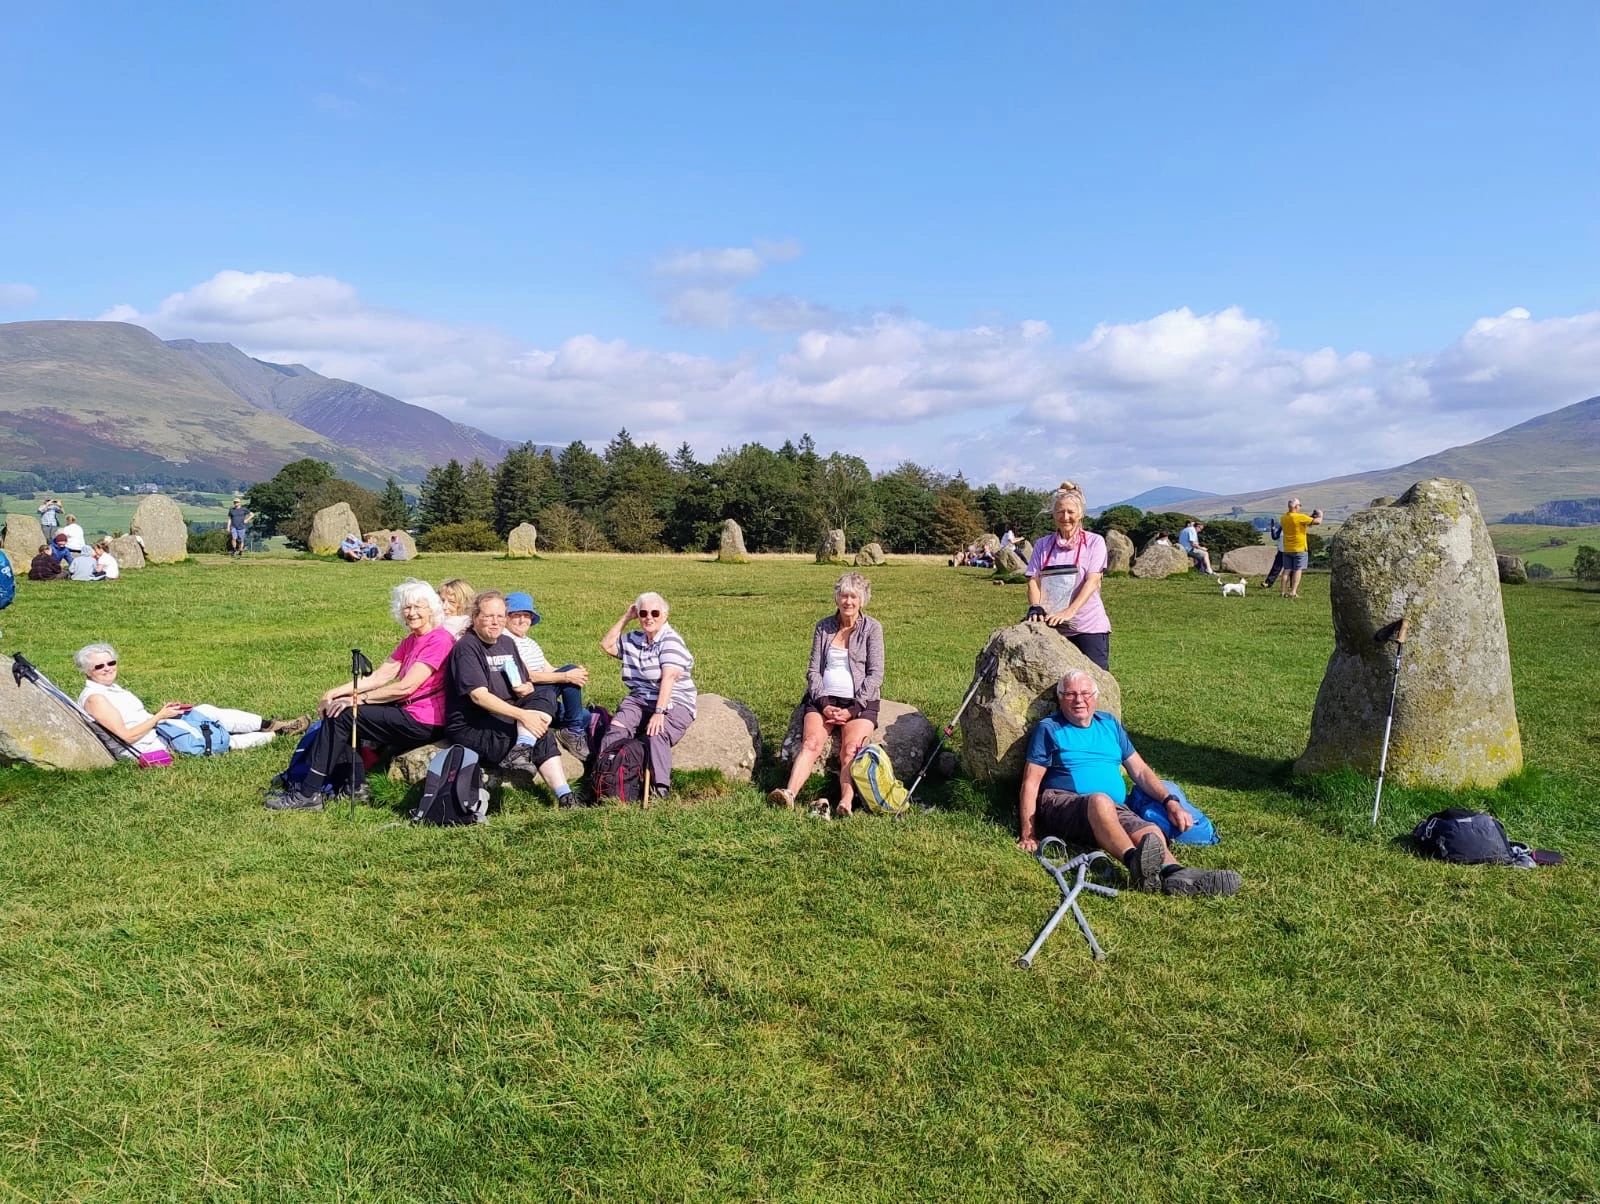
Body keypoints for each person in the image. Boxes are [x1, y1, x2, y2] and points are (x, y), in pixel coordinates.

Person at [1017, 670, 1241, 897]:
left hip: (1112, 808)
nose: (1079, 700)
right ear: (1060, 698)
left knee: (1151, 832)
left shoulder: (1109, 724)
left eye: (1085, 693)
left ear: (1095, 696)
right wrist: (1029, 833)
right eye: (1070, 694)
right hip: (1061, 803)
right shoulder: (1049, 728)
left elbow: (1141, 771)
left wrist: (1170, 801)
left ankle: (1178, 875)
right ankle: (1135, 863)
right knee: (1100, 800)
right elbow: (1031, 782)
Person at [263, 579, 453, 811]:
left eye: (418, 607)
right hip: (408, 712)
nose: (411, 613)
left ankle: (309, 792)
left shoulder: (439, 640)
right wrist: (333, 693)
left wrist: (356, 699)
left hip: (425, 720)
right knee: (338, 711)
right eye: (407, 607)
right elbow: (380, 677)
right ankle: (354, 785)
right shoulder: (411, 640)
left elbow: (406, 687)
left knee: (344, 716)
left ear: (431, 609)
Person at [767, 572, 885, 818]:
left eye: (853, 596)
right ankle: (788, 794)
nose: (848, 602)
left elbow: (875, 674)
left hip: (859, 704)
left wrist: (852, 709)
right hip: (824, 700)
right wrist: (823, 704)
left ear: (862, 600)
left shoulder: (873, 629)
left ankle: (845, 803)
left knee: (851, 749)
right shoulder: (824, 627)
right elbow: (813, 670)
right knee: (811, 743)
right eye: (843, 595)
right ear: (836, 598)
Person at [443, 590, 577, 802]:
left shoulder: (506, 643)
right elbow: (479, 697)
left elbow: (524, 681)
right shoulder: (467, 648)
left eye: (500, 616)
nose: (495, 622)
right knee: (539, 732)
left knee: (545, 695)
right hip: (473, 722)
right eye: (488, 616)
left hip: (506, 710)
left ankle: (564, 796)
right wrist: (523, 716)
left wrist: (525, 688)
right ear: (475, 617)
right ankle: (527, 752)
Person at [76, 642, 295, 758]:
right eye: (99, 666)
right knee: (216, 740)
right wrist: (160, 716)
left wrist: (163, 714)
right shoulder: (96, 698)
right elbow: (126, 735)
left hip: (155, 732)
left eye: (111, 663)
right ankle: (277, 734)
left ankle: (270, 725)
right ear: (87, 671)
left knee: (205, 712)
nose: (107, 669)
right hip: (149, 746)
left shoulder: (109, 689)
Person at [598, 591, 697, 799]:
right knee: (617, 728)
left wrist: (659, 712)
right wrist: (626, 618)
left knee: (656, 732)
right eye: (643, 613)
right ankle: (604, 779)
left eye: (655, 612)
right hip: (640, 698)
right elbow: (606, 645)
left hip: (674, 700)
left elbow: (669, 678)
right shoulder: (634, 639)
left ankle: (660, 789)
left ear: (665, 615)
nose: (648, 617)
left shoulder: (671, 641)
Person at [1024, 481, 1112, 670]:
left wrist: (1069, 611)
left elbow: (1092, 581)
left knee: (1091, 687)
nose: (1065, 517)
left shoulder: (1095, 542)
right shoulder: (1042, 545)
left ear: (1080, 514)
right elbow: (1034, 579)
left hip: (1088, 627)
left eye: (1071, 512)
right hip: (1052, 627)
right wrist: (1035, 606)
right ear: (1053, 515)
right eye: (1060, 512)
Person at [503, 591, 591, 753]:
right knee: (570, 674)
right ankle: (572, 731)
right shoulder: (505, 640)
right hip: (525, 695)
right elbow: (526, 675)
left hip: (545, 693)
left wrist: (577, 674)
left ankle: (572, 729)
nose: (522, 620)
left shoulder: (530, 642)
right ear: (506, 617)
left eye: (526, 615)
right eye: (516, 615)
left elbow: (549, 669)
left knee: (585, 716)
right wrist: (566, 675)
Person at [1278, 497, 1323, 599]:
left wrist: (1310, 517)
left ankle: (1283, 591)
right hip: (1299, 548)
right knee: (1298, 570)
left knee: (1286, 570)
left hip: (1287, 548)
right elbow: (1317, 522)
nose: (1300, 507)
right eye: (1299, 505)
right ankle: (1293, 592)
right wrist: (1320, 514)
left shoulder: (1283, 518)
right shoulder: (1300, 517)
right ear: (1296, 506)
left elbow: (1302, 522)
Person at [1263, 515, 1286, 589]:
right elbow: (1275, 537)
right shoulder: (1281, 528)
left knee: (1290, 569)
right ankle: (1268, 583)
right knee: (1276, 568)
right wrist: (1273, 528)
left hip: (1291, 551)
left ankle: (1291, 586)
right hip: (1281, 551)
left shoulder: (1292, 528)